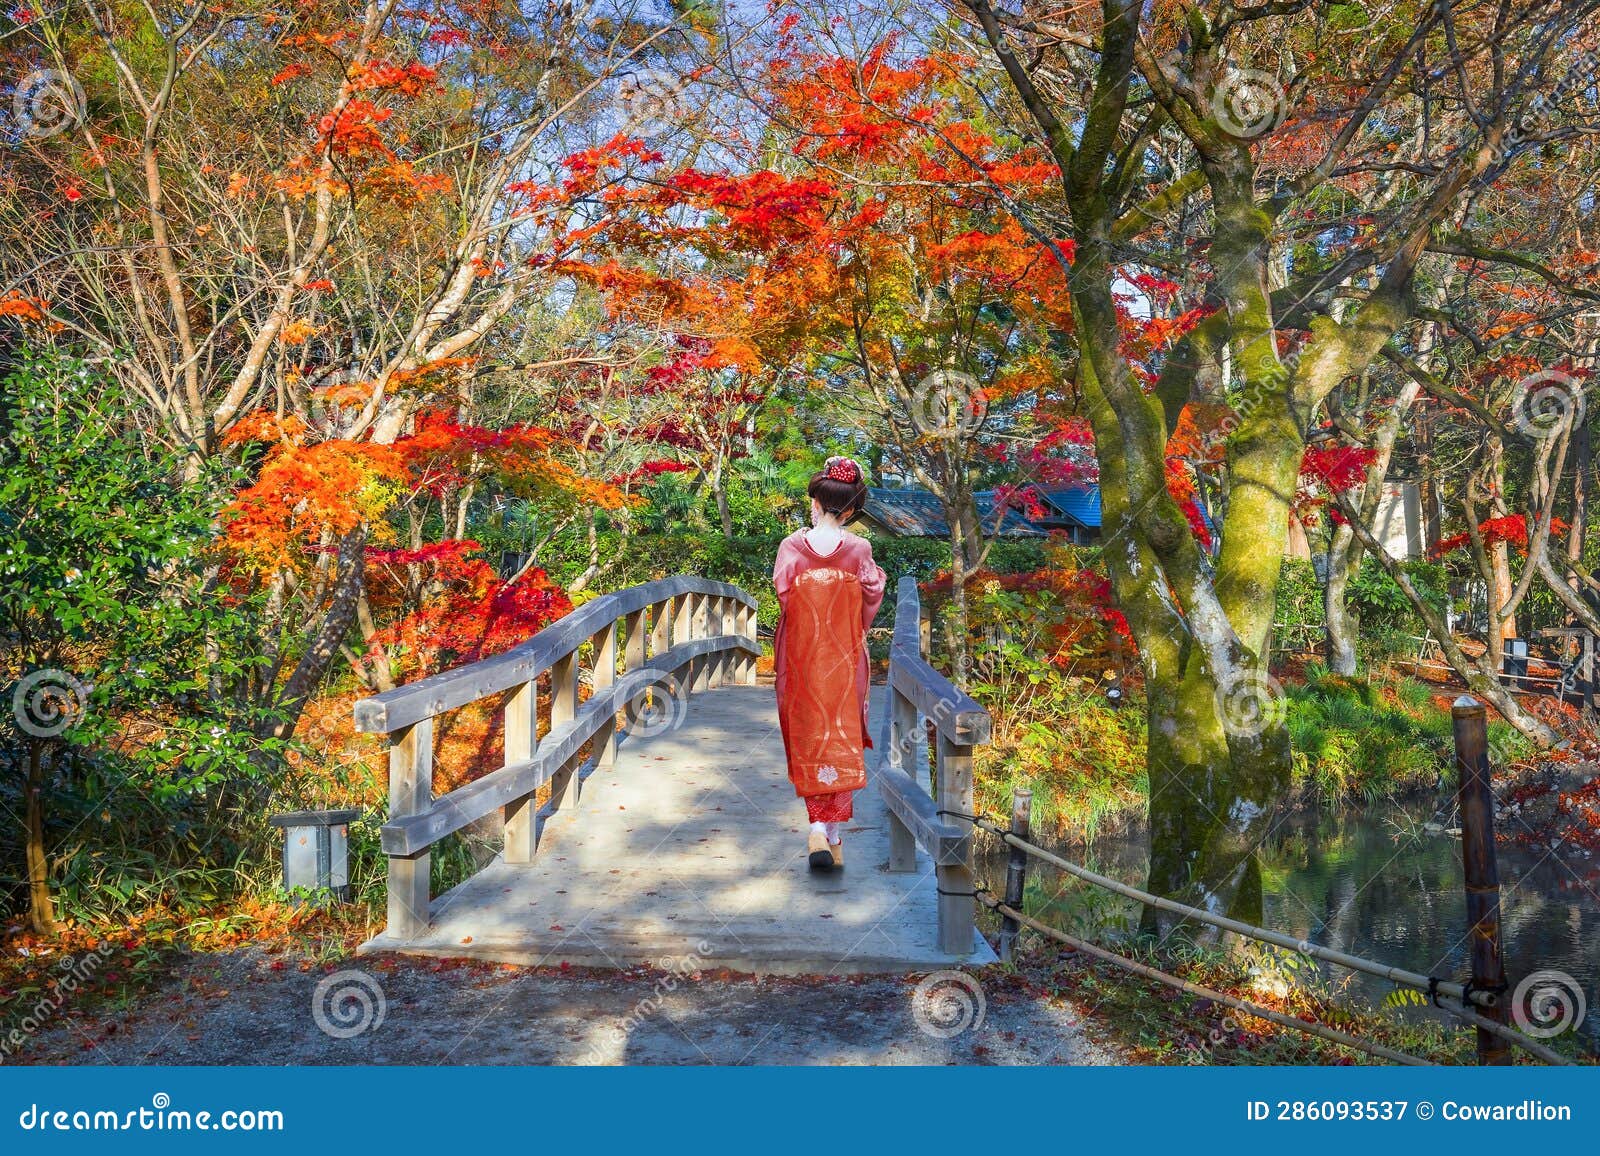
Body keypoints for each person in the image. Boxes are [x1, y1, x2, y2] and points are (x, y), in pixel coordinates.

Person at [772, 455, 887, 871]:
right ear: (852, 510)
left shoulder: (791, 547)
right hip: (844, 657)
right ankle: (829, 834)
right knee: (842, 733)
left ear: (815, 502)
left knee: (809, 733)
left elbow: (786, 597)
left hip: (801, 656)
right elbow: (871, 597)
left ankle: (822, 831)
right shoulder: (859, 549)